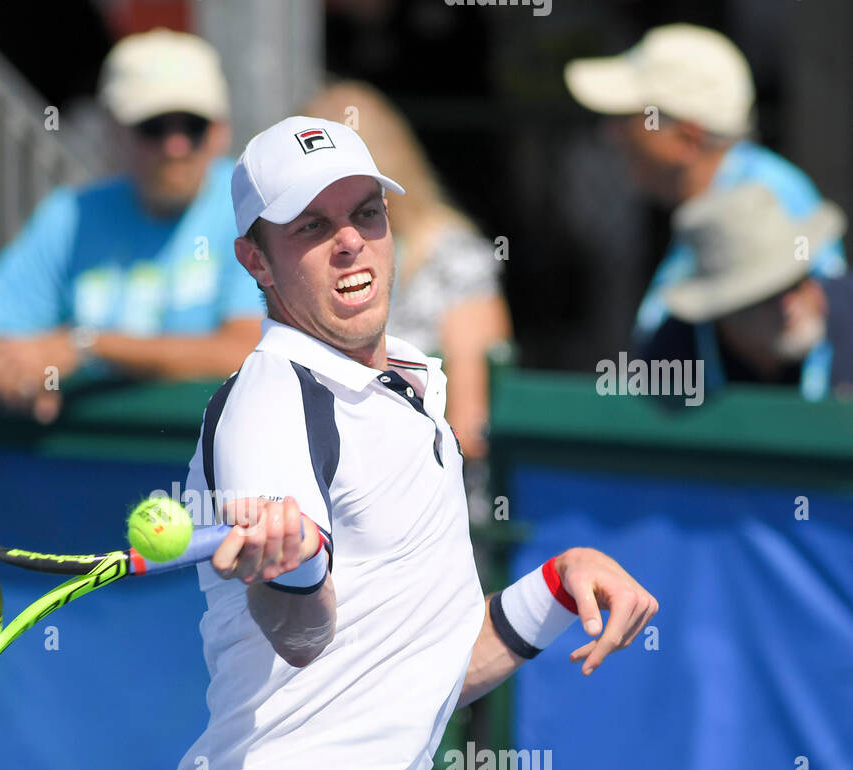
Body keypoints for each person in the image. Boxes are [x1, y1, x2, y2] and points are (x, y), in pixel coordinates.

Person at [99, 116, 659, 770]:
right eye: (311, 227)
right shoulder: (270, 401)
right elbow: (302, 633)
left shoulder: (410, 391)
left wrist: (557, 586)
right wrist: (288, 571)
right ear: (256, 259)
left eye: (365, 213)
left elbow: (424, 669)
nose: (350, 240)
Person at [0, 30, 264, 423]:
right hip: (96, 471)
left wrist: (86, 346)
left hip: (217, 473)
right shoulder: (72, 215)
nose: (175, 146)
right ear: (112, 131)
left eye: (193, 126)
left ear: (220, 131)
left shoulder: (253, 206)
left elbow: (250, 352)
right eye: (153, 127)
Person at [564, 23, 845, 350]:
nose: (611, 135)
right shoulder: (713, 198)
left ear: (687, 138)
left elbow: (829, 353)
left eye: (627, 118)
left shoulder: (775, 201)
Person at [300, 81, 511, 461]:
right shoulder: (294, 261)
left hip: (431, 488)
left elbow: (468, 427)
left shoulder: (454, 258)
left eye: (363, 207)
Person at [640, 183, 853, 400]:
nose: (788, 304)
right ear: (720, 313)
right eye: (765, 295)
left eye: (797, 281)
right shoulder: (670, 359)